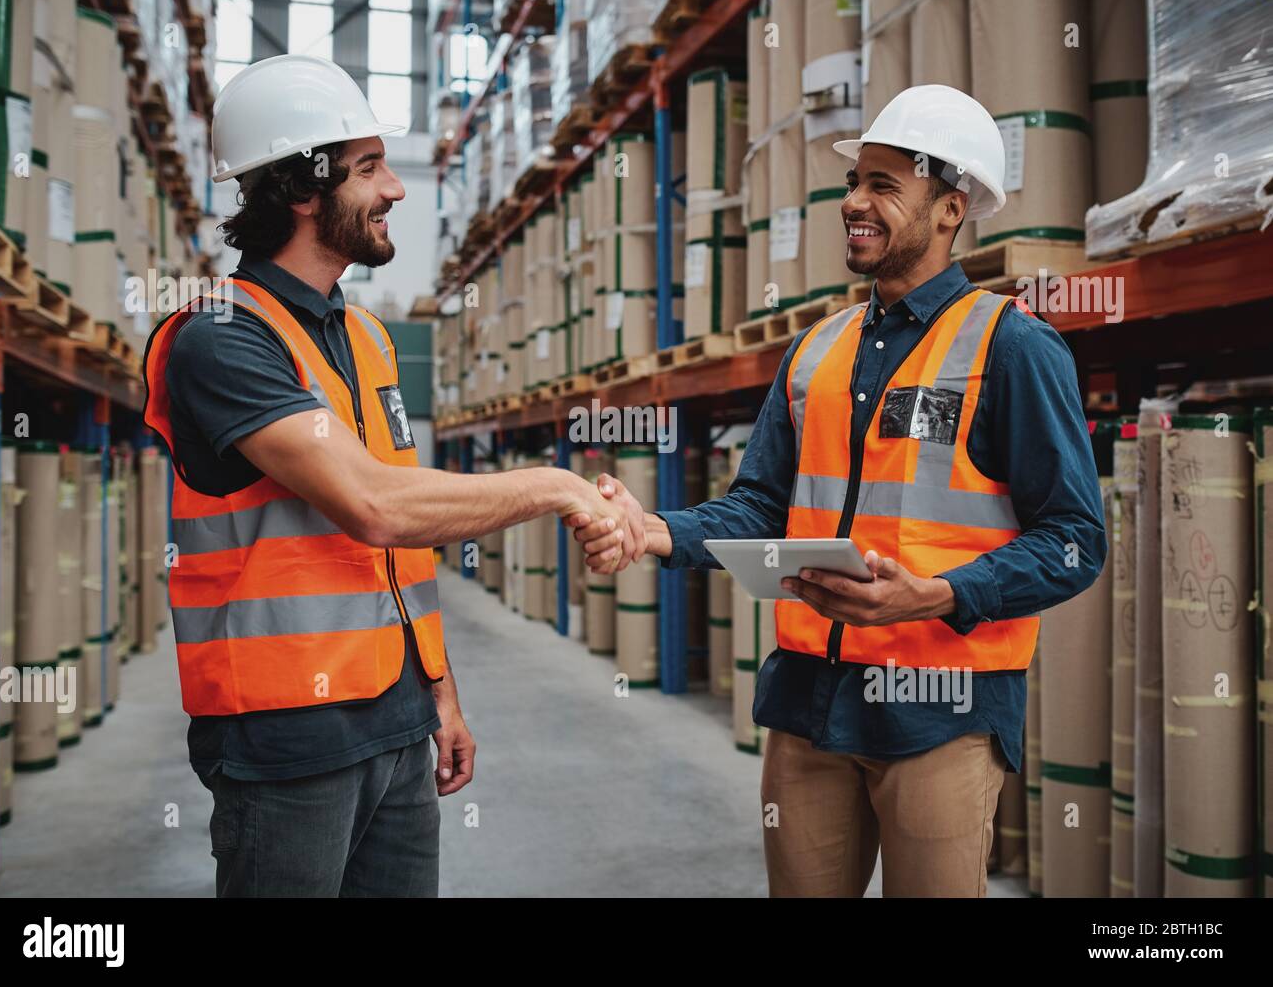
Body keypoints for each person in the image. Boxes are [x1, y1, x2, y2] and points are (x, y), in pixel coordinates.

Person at [568, 84, 1106, 897]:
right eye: (856, 181)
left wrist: (935, 595)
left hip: (941, 710)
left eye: (884, 185)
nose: (853, 200)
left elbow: (1074, 538)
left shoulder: (1013, 347)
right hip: (808, 706)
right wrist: (655, 532)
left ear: (951, 208)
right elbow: (761, 506)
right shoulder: (816, 349)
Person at [142, 55, 633, 897]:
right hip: (286, 743)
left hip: (396, 727)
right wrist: (557, 486)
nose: (396, 189)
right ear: (304, 189)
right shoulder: (220, 339)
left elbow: (400, 548)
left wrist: (437, 694)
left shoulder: (363, 339)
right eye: (370, 168)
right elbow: (373, 505)